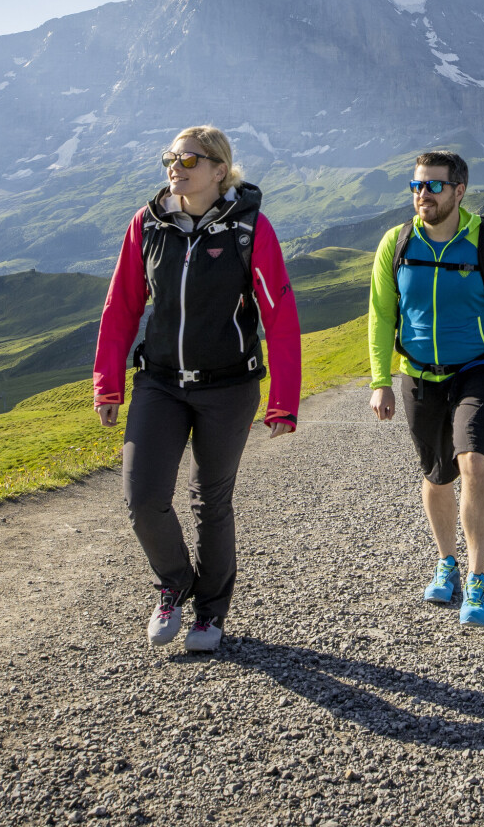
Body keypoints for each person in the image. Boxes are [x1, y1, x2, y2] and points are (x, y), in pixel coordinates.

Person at [93, 126, 301, 653]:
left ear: (218, 169)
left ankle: (210, 612)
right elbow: (122, 305)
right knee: (142, 498)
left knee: (211, 501)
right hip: (159, 382)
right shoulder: (148, 224)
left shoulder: (250, 230)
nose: (176, 166)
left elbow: (279, 316)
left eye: (189, 158)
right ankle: (174, 582)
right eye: (170, 156)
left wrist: (283, 400)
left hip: (228, 387)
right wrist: (108, 384)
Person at [367, 150, 484, 627]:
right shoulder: (396, 243)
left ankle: (477, 580)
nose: (423, 195)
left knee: (474, 461)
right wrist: (380, 380)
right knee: (437, 475)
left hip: (478, 369)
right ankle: (447, 562)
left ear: (459, 191)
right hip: (417, 373)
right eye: (417, 186)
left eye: (434, 186)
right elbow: (381, 315)